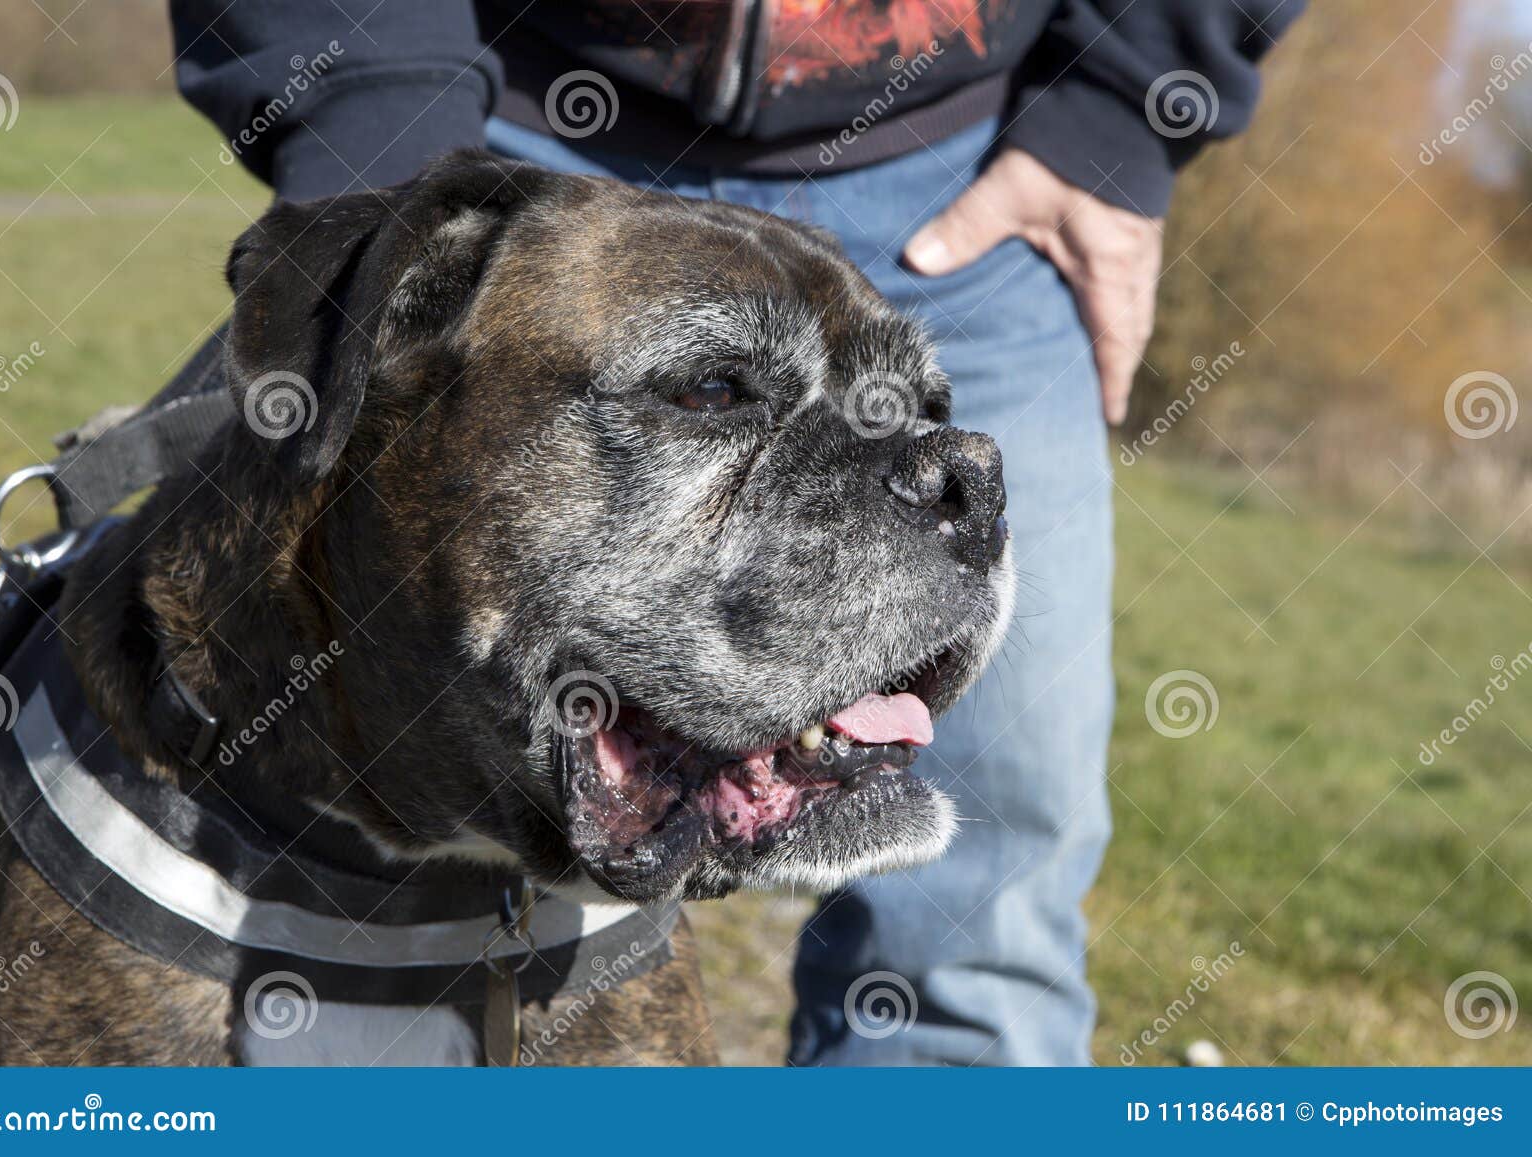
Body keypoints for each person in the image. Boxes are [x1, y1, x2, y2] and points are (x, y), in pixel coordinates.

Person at [169, 0, 1303, 1065]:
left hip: (976, 162)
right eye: (712, 392)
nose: (942, 468)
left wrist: (1129, 93)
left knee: (974, 940)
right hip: (495, 93)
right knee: (235, 786)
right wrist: (371, 127)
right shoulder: (468, 250)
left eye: (928, 418)